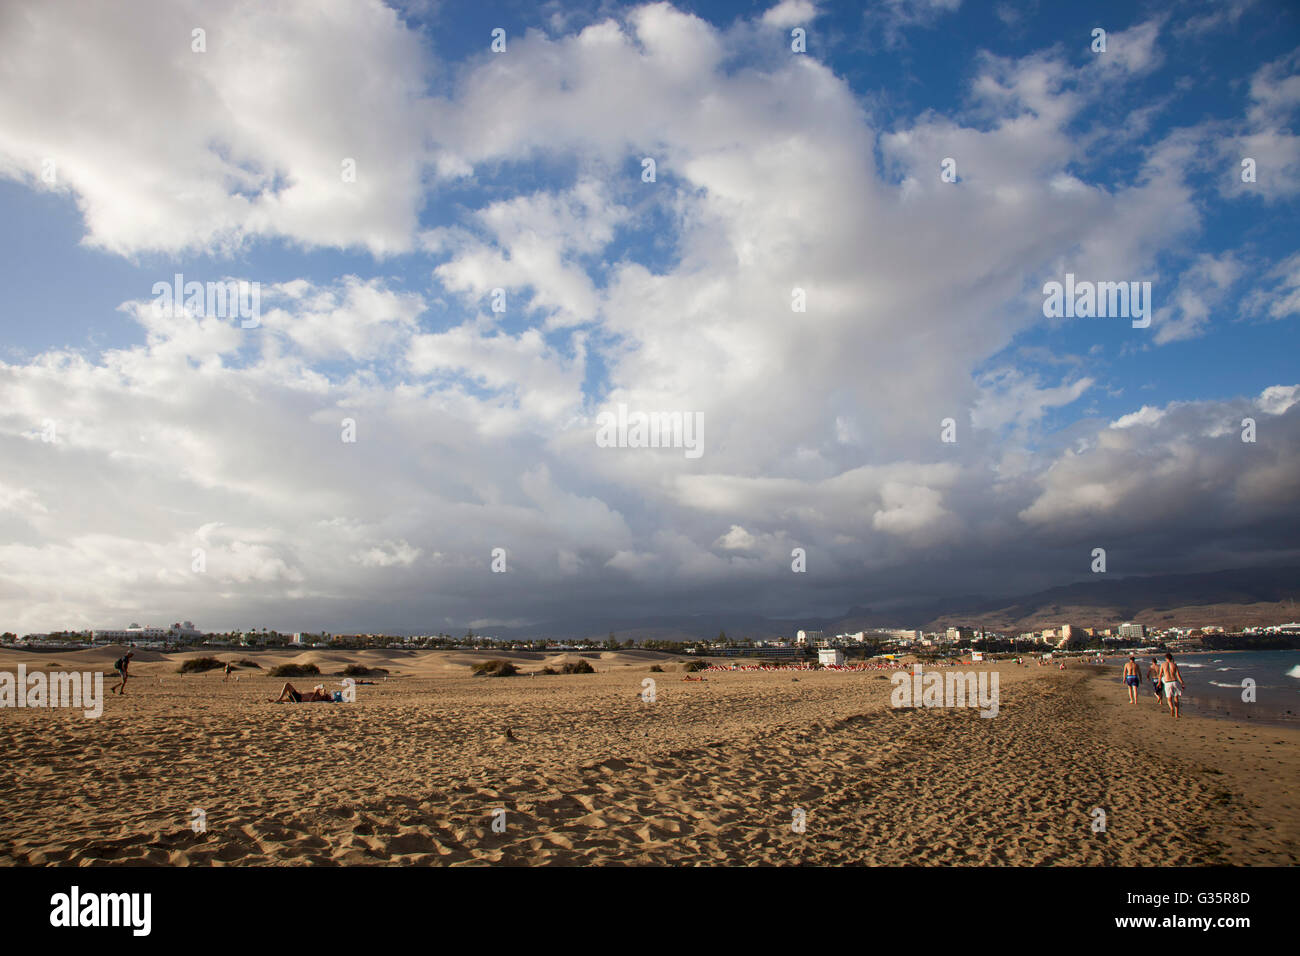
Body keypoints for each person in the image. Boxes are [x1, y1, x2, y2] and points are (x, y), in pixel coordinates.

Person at [1159, 653, 1184, 719]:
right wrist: (1182, 683)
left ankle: (1171, 708)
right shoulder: (1174, 665)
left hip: (1167, 682)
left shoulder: (1163, 664)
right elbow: (1178, 675)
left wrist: (1159, 683)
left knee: (1169, 699)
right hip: (1175, 682)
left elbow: (1160, 675)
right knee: (1176, 698)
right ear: (1172, 658)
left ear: (1166, 658)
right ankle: (1176, 714)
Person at [270, 682, 334, 703]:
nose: (327, 694)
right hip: (299, 696)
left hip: (299, 699)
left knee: (287, 685)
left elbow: (311, 700)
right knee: (288, 697)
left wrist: (316, 693)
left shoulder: (319, 698)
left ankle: (279, 699)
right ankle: (278, 700)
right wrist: (320, 690)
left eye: (327, 695)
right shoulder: (319, 695)